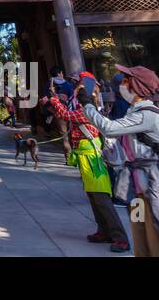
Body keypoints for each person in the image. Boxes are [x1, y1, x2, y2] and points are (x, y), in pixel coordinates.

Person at [83, 65, 159, 257]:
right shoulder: (133, 112)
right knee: (140, 240)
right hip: (137, 189)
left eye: (124, 81)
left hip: (154, 188)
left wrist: (87, 105)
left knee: (158, 241)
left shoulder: (146, 114)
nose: (120, 85)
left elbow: (110, 128)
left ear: (136, 86)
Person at [41, 73, 129, 252]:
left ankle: (120, 237)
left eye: (77, 85)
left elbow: (65, 114)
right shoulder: (84, 109)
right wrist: (52, 100)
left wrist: (53, 99)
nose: (73, 87)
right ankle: (103, 230)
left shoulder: (87, 112)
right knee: (94, 197)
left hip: (93, 159)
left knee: (102, 199)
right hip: (85, 157)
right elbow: (63, 112)